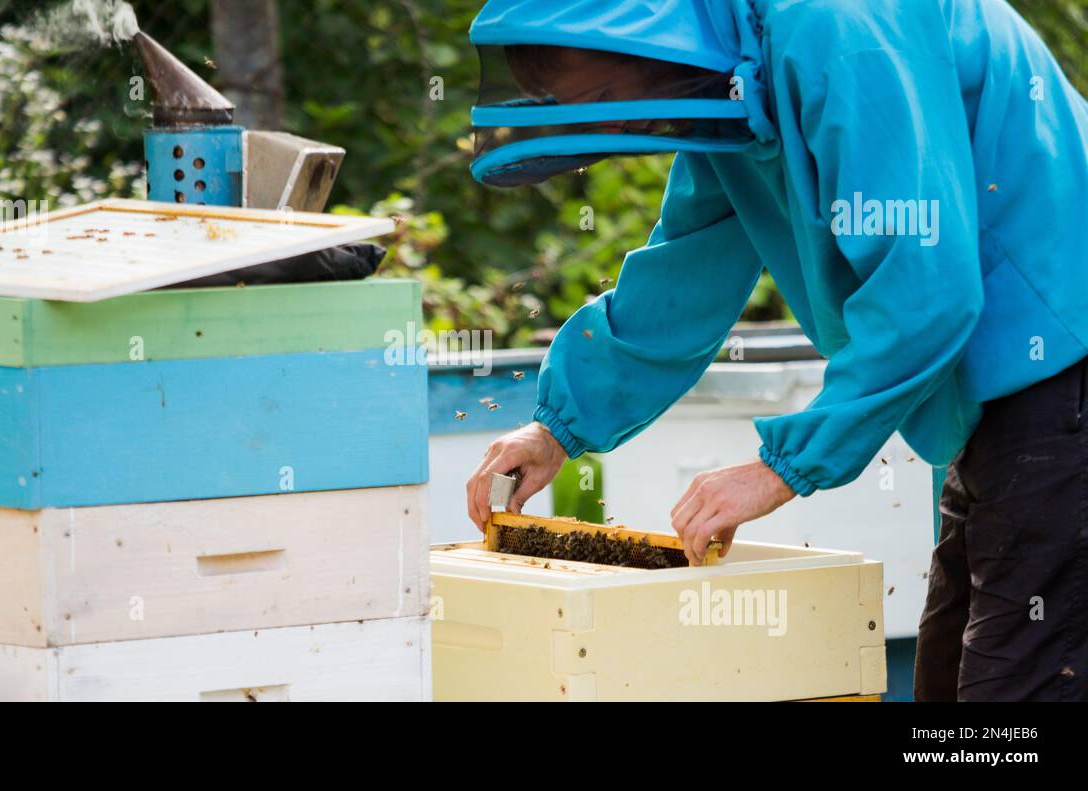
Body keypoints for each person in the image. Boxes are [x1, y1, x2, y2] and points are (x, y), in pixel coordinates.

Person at [463, 0, 1088, 702]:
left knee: (1017, 693)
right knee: (947, 686)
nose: (617, 125)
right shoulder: (726, 73)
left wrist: (779, 467)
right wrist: (557, 426)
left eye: (606, 98)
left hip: (1064, 346)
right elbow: (688, 268)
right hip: (1000, 390)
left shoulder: (841, 33)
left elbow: (927, 290)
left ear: (636, 30)